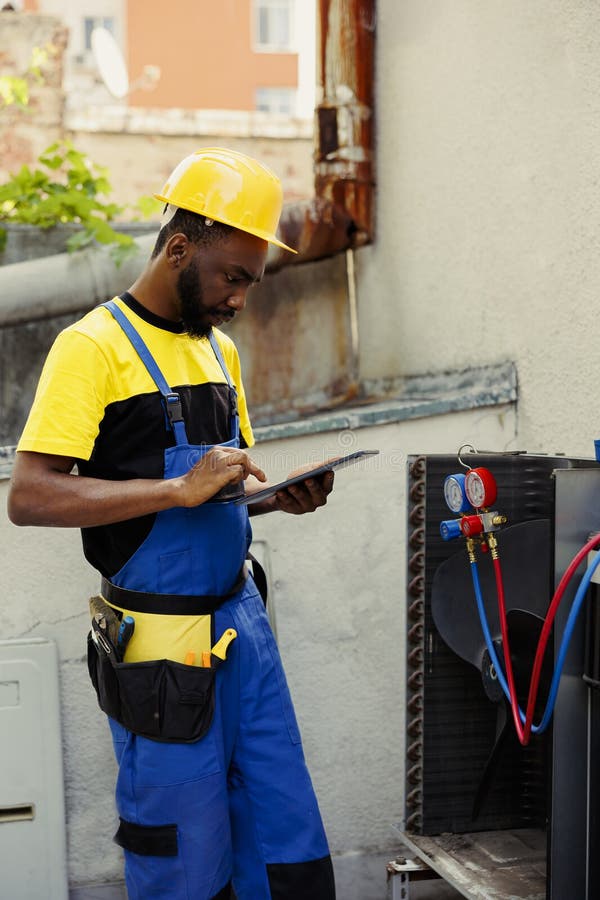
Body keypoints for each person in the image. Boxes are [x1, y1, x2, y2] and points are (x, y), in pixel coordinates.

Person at [8, 147, 337, 900]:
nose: (239, 300)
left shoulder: (221, 355)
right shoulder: (91, 348)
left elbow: (216, 493)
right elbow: (28, 496)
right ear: (180, 248)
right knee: (184, 857)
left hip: (243, 630)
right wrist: (175, 490)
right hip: (160, 650)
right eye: (232, 278)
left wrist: (274, 499)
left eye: (251, 283)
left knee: (281, 836)